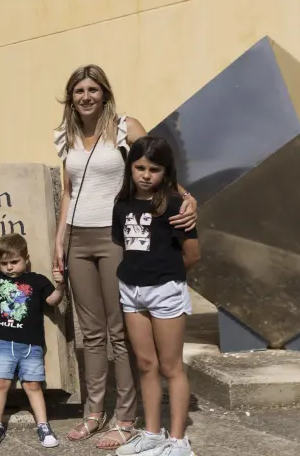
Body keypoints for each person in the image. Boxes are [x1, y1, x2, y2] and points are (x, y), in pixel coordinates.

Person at [50, 64, 197, 449]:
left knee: (120, 332)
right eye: (79, 91)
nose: (86, 97)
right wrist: (59, 238)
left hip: (115, 235)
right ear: (71, 98)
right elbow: (68, 191)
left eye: (92, 90)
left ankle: (126, 419)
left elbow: (156, 163)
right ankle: (94, 412)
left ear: (104, 94)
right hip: (77, 237)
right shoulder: (65, 136)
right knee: (91, 332)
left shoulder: (124, 128)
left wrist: (187, 197)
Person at [112, 137, 200, 456]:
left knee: (171, 366)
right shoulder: (121, 205)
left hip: (165, 291)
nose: (146, 175)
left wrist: (165, 276)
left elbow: (192, 254)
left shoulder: (175, 205)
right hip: (131, 292)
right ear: (130, 168)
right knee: (146, 364)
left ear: (166, 172)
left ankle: (177, 441)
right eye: (140, 168)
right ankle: (151, 433)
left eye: (154, 169)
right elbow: (125, 246)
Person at [0, 235, 66, 449]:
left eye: (14, 262)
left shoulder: (37, 281)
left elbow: (52, 300)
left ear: (26, 259)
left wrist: (60, 285)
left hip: (31, 344)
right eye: (4, 263)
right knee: (0, 383)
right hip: (2, 342)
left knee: (33, 385)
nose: (9, 267)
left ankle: (43, 425)